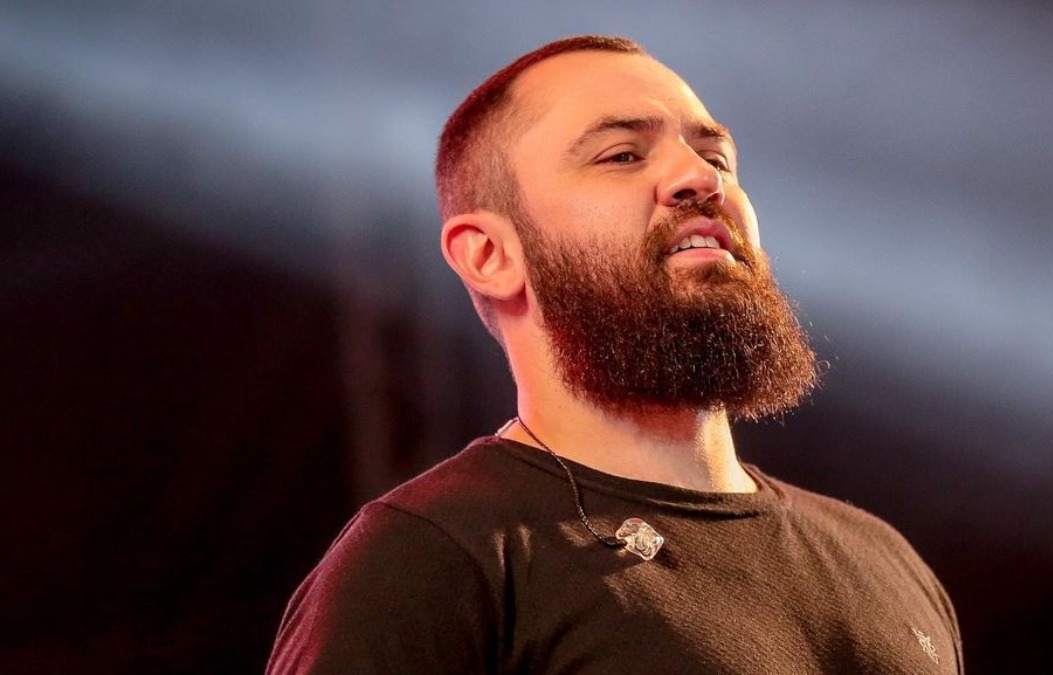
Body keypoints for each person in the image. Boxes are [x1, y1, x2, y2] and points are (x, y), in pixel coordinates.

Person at [267, 35, 962, 674]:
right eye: (622, 155)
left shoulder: (884, 559)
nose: (701, 180)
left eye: (717, 157)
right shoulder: (434, 557)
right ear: (491, 255)